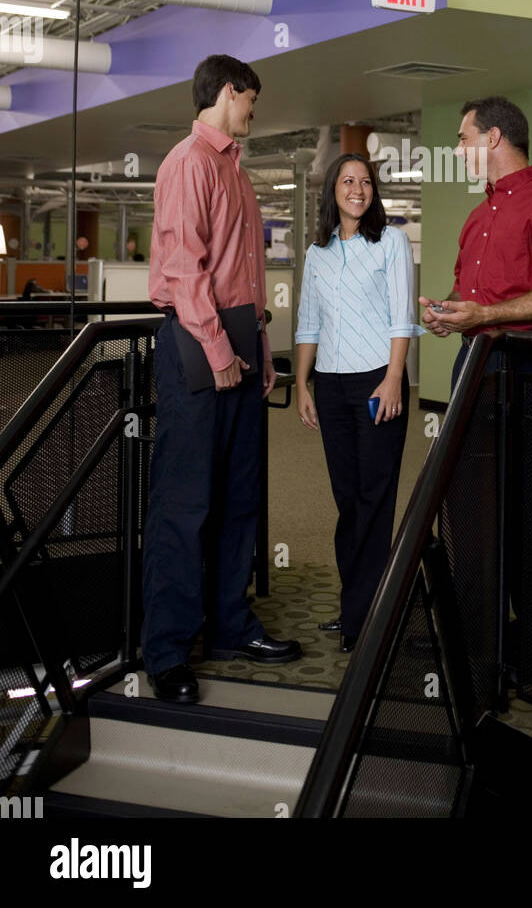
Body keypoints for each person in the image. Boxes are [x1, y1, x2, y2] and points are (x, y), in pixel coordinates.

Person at [142, 54, 301, 703]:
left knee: (240, 499)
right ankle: (168, 651)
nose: (253, 113)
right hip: (198, 344)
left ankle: (231, 626)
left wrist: (257, 354)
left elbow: (245, 279)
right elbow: (184, 272)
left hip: (240, 338)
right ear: (230, 92)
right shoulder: (189, 162)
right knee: (185, 506)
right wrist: (217, 350)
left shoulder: (237, 171)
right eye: (251, 100)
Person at [419, 96, 532, 683]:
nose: (459, 150)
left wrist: (483, 316)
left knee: (529, 506)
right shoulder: (479, 216)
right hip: (475, 366)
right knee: (470, 504)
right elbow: (477, 296)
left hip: (529, 370)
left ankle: (531, 643)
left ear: (493, 138)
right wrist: (450, 313)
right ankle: (476, 634)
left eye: (463, 138)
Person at [295, 153, 424, 653]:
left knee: (375, 495)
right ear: (332, 190)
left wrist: (395, 379)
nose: (357, 189)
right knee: (347, 499)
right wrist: (302, 383)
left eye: (365, 181)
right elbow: (308, 323)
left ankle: (363, 617)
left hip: (376, 383)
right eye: (348, 181)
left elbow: (401, 317)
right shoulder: (318, 252)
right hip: (329, 387)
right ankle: (358, 601)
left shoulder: (390, 242)